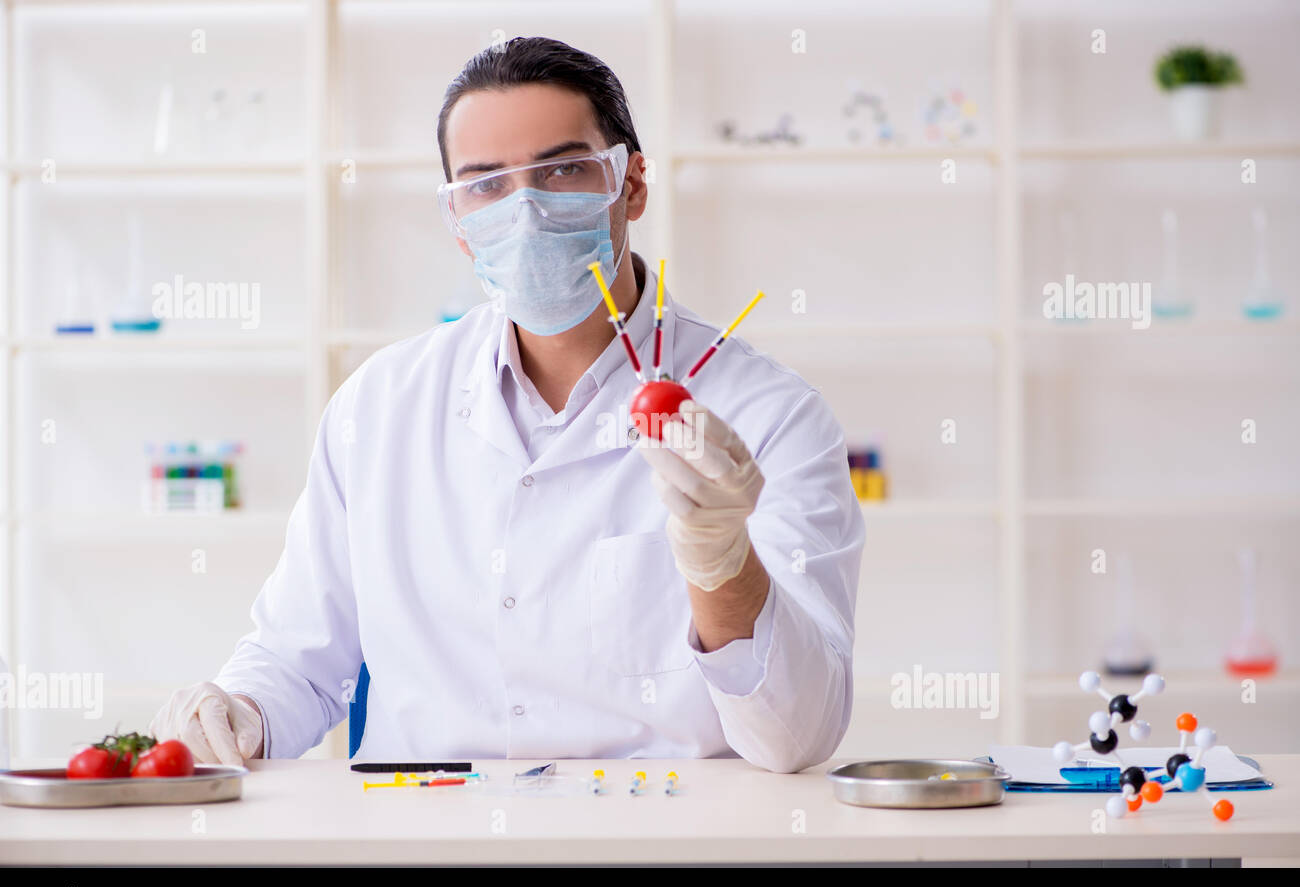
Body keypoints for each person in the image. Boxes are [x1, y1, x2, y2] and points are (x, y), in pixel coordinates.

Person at [150, 37, 864, 773]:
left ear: (634, 184)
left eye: (562, 170)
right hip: (423, 833)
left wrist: (722, 563)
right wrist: (240, 710)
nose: (525, 208)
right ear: (457, 218)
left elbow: (797, 737)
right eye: (486, 184)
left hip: (660, 837)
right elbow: (299, 661)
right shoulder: (380, 404)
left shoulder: (773, 414)